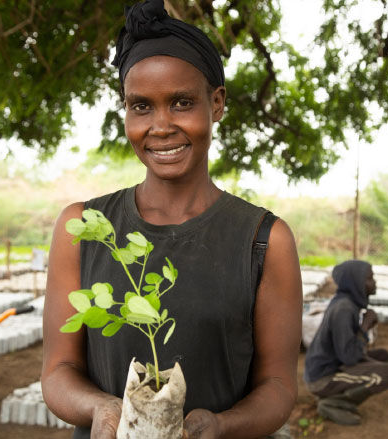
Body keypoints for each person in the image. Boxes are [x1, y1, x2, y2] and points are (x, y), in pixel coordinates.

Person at [41, 1, 303, 438]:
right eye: (141, 106)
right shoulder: (86, 230)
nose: (160, 126)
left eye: (182, 102)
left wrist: (219, 425)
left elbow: (277, 386)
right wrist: (104, 410)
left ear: (216, 103)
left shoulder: (263, 240)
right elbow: (58, 370)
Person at [303, 260, 388, 425]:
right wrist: (365, 326)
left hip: (333, 363)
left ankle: (335, 397)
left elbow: (348, 349)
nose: (374, 282)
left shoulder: (347, 303)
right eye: (370, 278)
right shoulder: (344, 309)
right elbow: (349, 357)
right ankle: (332, 403)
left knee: (382, 356)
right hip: (323, 378)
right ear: (355, 283)